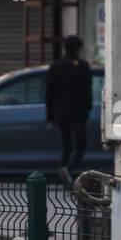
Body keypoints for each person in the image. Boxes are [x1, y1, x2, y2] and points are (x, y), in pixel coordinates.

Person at [45, 34, 94, 184]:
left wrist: (50, 116)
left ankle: (64, 174)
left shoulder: (56, 65)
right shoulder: (82, 66)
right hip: (78, 112)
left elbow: (49, 92)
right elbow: (87, 88)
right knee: (80, 146)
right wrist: (88, 105)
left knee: (66, 145)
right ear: (78, 48)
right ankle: (68, 170)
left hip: (60, 112)